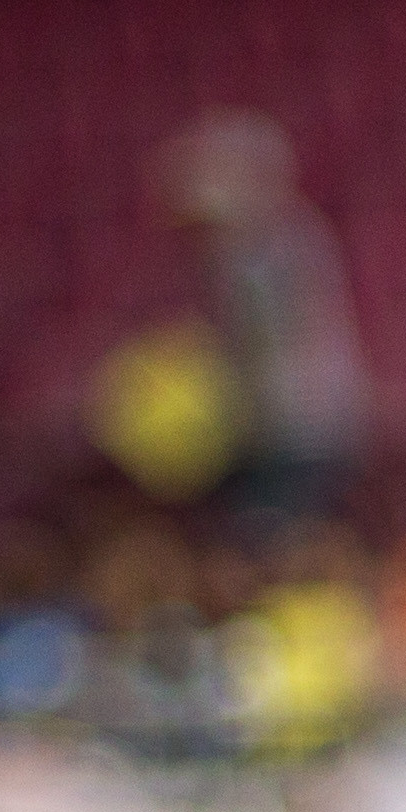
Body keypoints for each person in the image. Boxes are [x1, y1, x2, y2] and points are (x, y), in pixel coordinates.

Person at [159, 112, 370, 515]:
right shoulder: (283, 240)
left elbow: (262, 349)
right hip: (294, 430)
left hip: (296, 432)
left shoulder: (263, 252)